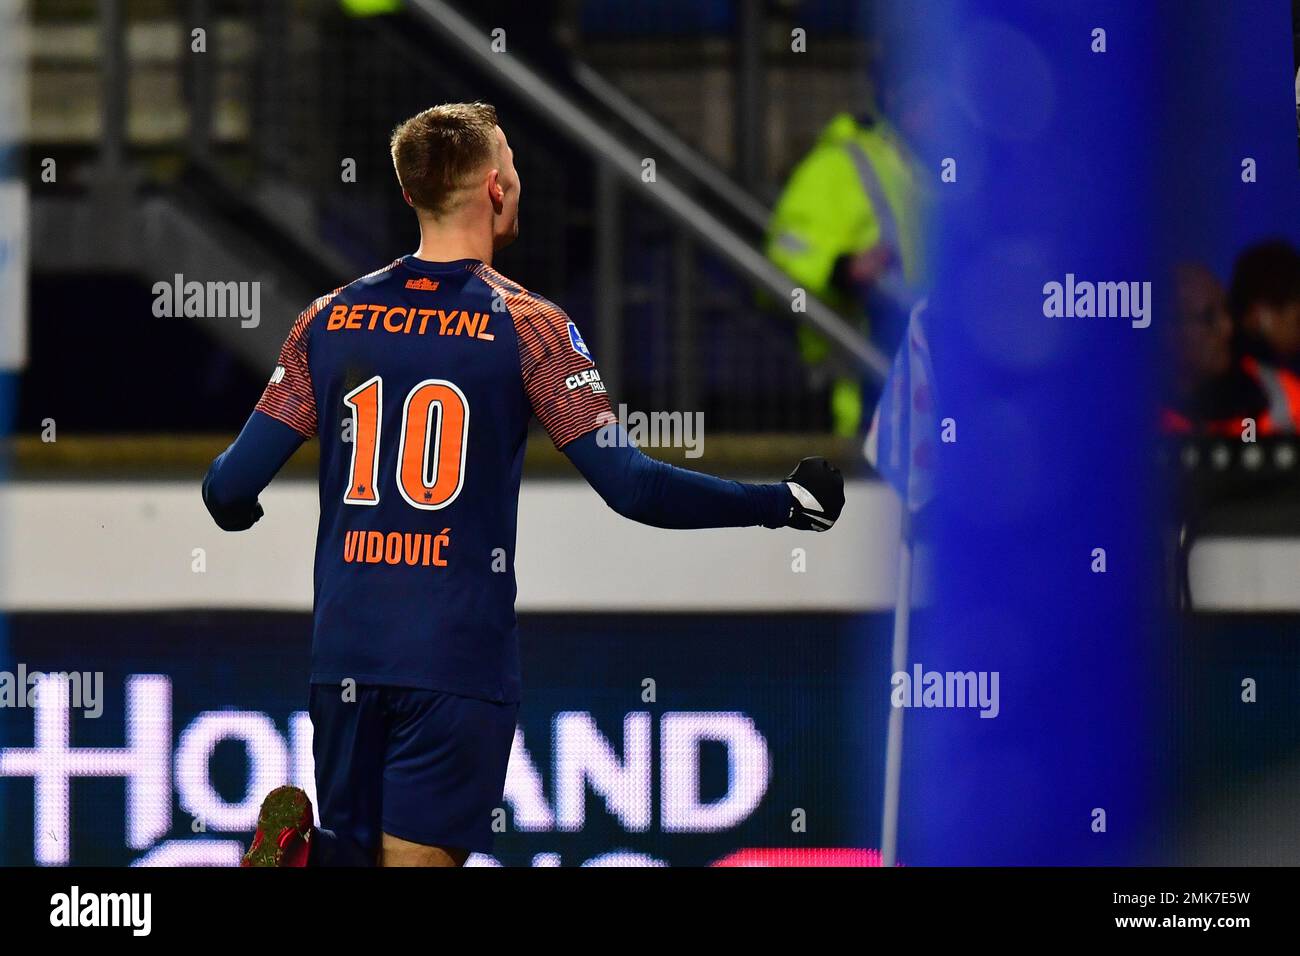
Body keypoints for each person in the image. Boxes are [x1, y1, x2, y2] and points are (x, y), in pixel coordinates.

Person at [202, 102, 845, 867]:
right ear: (495, 192)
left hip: (347, 655)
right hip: (453, 660)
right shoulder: (527, 324)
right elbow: (632, 486)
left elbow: (228, 485)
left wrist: (241, 513)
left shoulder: (329, 318)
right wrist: (780, 503)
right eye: (511, 165)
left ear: (411, 195)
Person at [765, 90, 928, 437]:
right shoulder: (840, 161)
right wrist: (843, 269)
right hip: (867, 384)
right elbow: (787, 249)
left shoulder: (932, 165)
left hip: (928, 377)